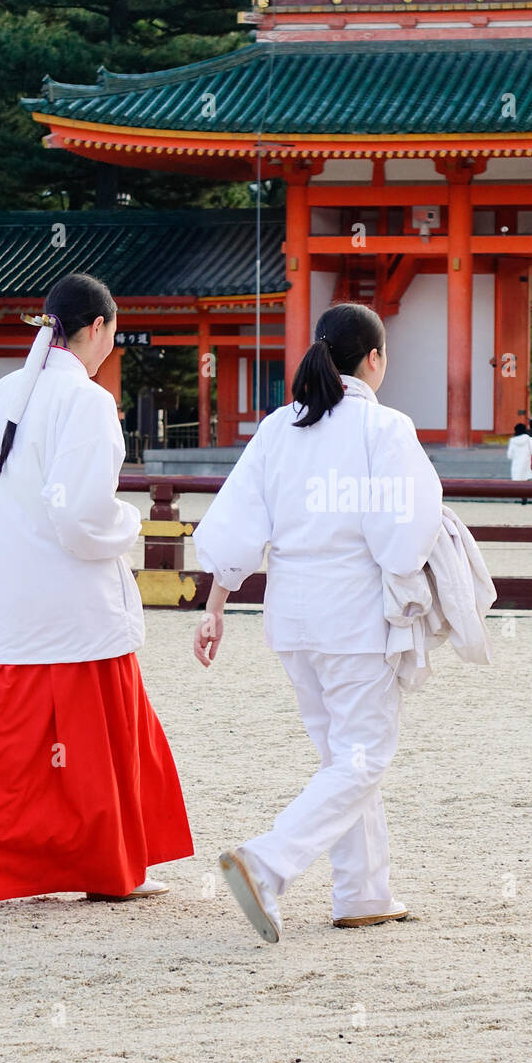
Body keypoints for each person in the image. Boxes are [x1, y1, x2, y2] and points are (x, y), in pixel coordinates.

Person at [0, 273, 193, 917]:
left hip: (13, 585)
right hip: (75, 597)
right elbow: (82, 514)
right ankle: (106, 865)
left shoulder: (6, 391)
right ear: (98, 328)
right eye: (112, 332)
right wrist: (130, 525)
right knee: (100, 743)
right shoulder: (85, 402)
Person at [191, 303, 444, 943]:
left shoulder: (280, 427)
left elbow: (237, 522)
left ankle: (363, 893)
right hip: (355, 619)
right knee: (360, 760)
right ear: (375, 359)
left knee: (343, 757)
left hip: (293, 617)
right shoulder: (384, 427)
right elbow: (404, 537)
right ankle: (266, 864)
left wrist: (217, 604)